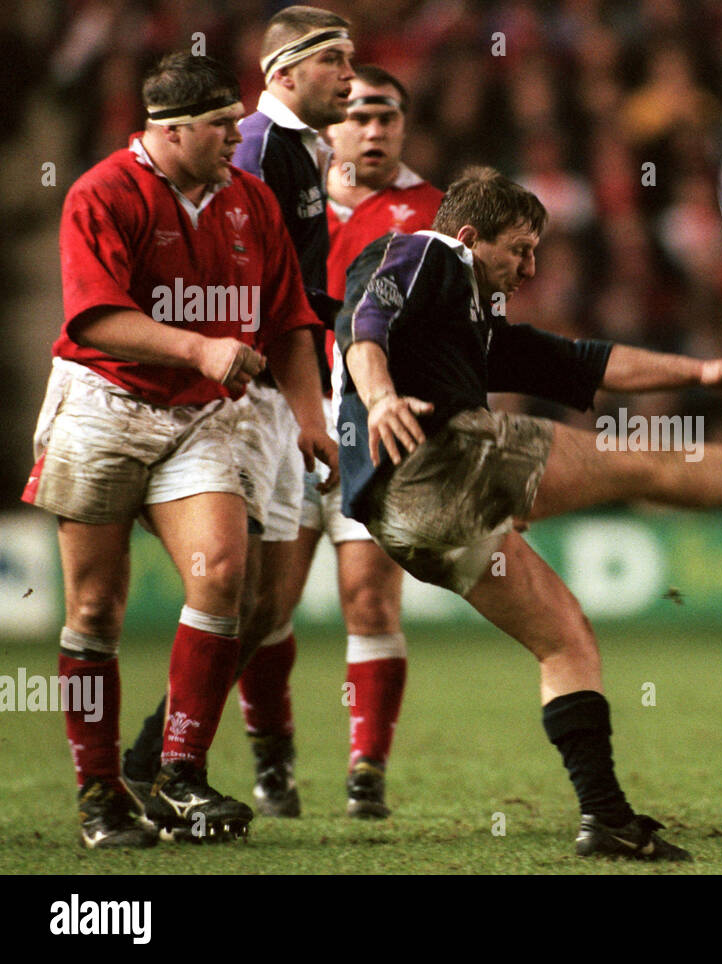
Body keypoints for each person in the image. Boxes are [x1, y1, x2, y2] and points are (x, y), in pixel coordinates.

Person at [335, 168, 722, 860]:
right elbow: (363, 320)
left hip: (407, 521)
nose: (531, 267)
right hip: (436, 456)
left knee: (567, 639)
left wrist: (699, 372)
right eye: (521, 250)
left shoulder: (471, 320)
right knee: (637, 459)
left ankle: (606, 818)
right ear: (469, 237)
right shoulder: (416, 255)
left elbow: (580, 363)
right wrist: (381, 397)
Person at [23, 52, 335, 847]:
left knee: (224, 576)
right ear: (169, 130)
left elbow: (292, 319)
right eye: (222, 124)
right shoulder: (103, 193)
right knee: (95, 608)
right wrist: (199, 348)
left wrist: (309, 415)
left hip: (201, 418)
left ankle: (178, 775)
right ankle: (99, 793)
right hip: (104, 406)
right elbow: (94, 318)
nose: (239, 133)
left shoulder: (251, 201)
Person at [121, 6, 355, 819]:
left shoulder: (297, 150)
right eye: (336, 63)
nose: (351, 78)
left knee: (262, 606)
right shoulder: (252, 147)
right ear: (283, 73)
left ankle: (158, 757)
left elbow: (297, 293)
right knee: (247, 594)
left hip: (278, 392)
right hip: (241, 398)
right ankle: (161, 764)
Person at [292, 63, 443, 817]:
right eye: (357, 116)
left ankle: (365, 768)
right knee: (258, 604)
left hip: (371, 418)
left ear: (405, 126)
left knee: (369, 599)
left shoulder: (434, 212)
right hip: (280, 417)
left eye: (388, 117)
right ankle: (270, 757)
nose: (373, 130)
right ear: (328, 128)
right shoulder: (287, 203)